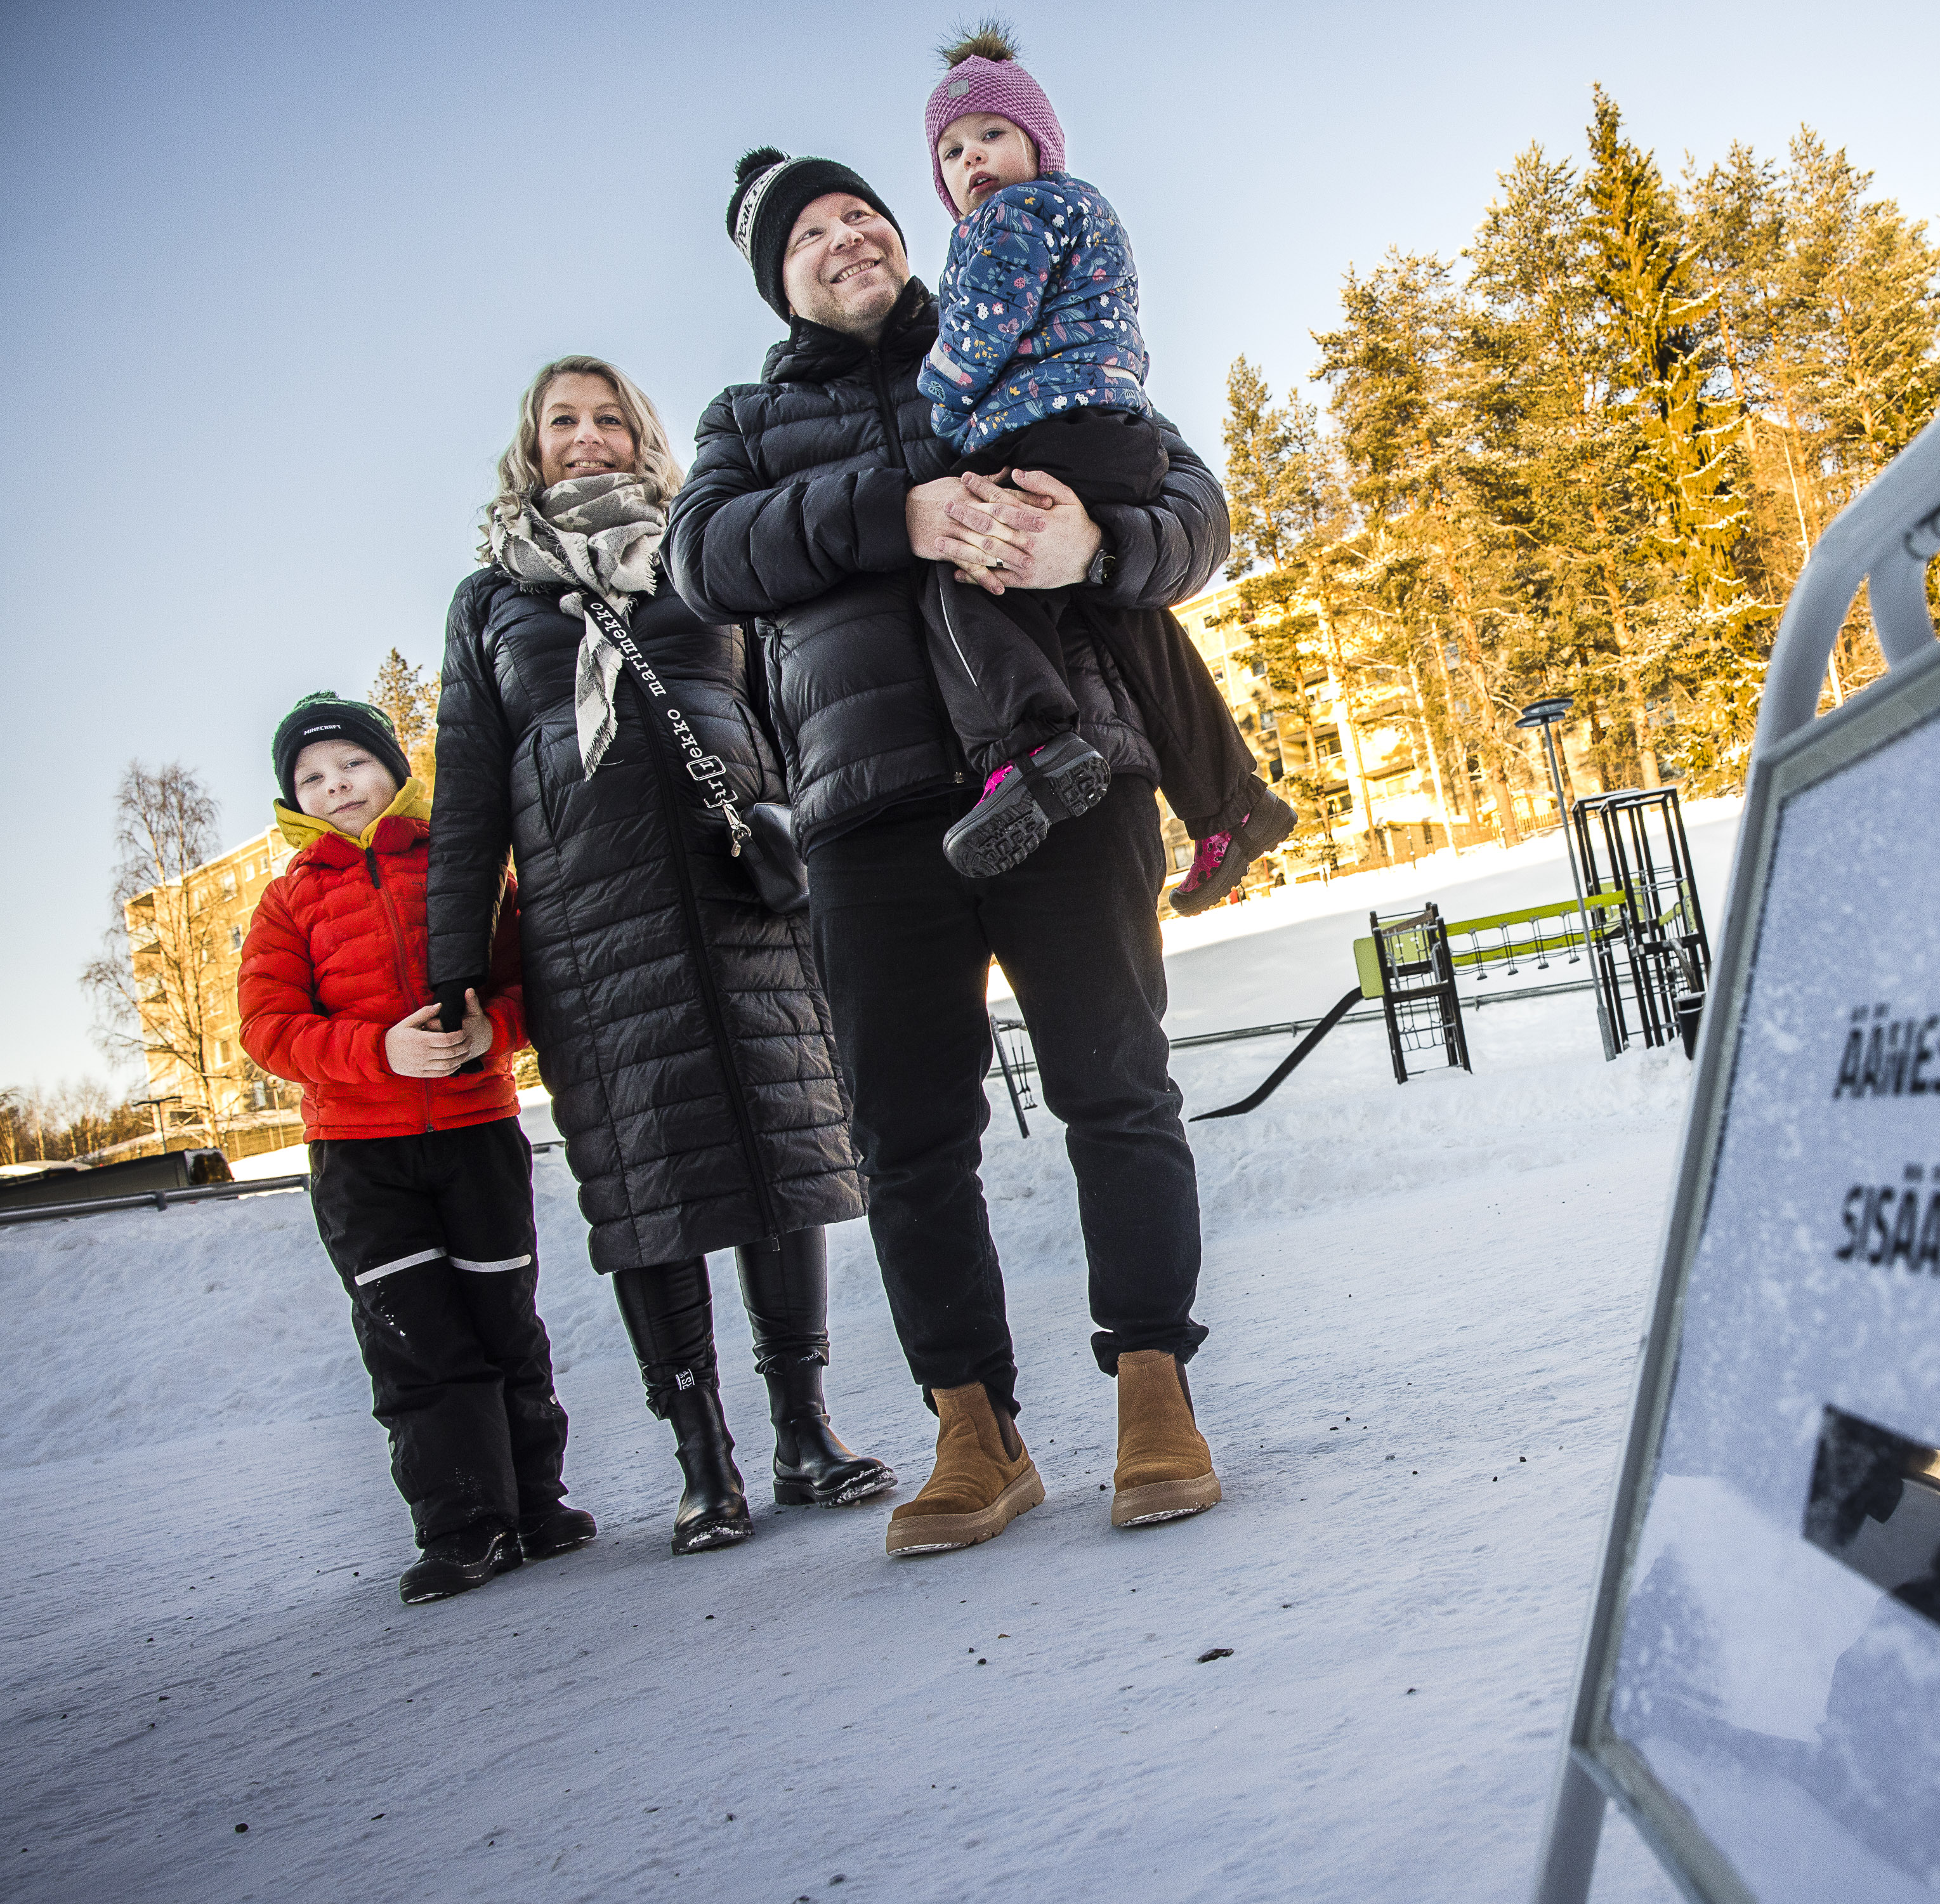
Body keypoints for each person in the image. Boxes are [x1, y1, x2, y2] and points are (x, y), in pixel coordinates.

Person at [667, 149, 1228, 1556]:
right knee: (909, 1136)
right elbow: (706, 561)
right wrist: (893, 513)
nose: (845, 237)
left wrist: (1096, 542)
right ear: (777, 281)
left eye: (863, 213)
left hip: (1070, 764)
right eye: (809, 234)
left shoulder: (1014, 320)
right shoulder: (745, 421)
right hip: (867, 807)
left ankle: (1155, 1382)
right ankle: (973, 1424)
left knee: (1117, 1079)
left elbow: (1193, 506)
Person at [425, 356, 893, 1559]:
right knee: (650, 1191)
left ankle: (805, 1430)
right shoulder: (492, 602)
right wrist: (454, 963)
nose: (589, 440)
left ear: (644, 437)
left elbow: (787, 714)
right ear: (531, 448)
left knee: (785, 1152)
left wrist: (827, 853)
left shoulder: (700, 556)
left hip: (747, 901)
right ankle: (705, 1464)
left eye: (610, 419)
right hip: (592, 933)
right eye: (563, 423)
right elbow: (472, 795)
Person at [900, 25, 1287, 895]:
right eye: (952, 152)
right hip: (1110, 432)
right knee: (1131, 615)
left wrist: (945, 394)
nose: (973, 163)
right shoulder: (1076, 212)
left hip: (1052, 430)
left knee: (975, 571)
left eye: (992, 136)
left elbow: (978, 334)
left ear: (1041, 143)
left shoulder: (1011, 218)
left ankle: (1031, 747)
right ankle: (1231, 802)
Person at [240, 693, 590, 1605]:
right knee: (416, 1336)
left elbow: (527, 981)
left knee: (500, 1316)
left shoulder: (460, 866)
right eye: (311, 778)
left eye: (351, 763)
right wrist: (378, 1050)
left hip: (476, 1130)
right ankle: (464, 1524)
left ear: (393, 769)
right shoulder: (288, 902)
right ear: (295, 802)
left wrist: (491, 1034)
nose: (336, 785)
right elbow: (269, 1029)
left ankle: (536, 1503)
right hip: (362, 1154)